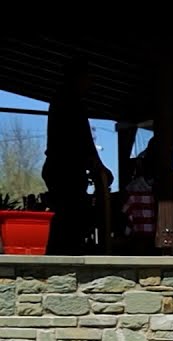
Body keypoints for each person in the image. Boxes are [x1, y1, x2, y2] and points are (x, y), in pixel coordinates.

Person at [42, 57, 113, 255]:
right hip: (65, 169)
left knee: (67, 214)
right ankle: (65, 255)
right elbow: (83, 140)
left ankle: (62, 253)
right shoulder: (70, 102)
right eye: (87, 78)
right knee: (70, 214)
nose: (90, 83)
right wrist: (98, 165)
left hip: (61, 168)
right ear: (78, 78)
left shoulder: (62, 100)